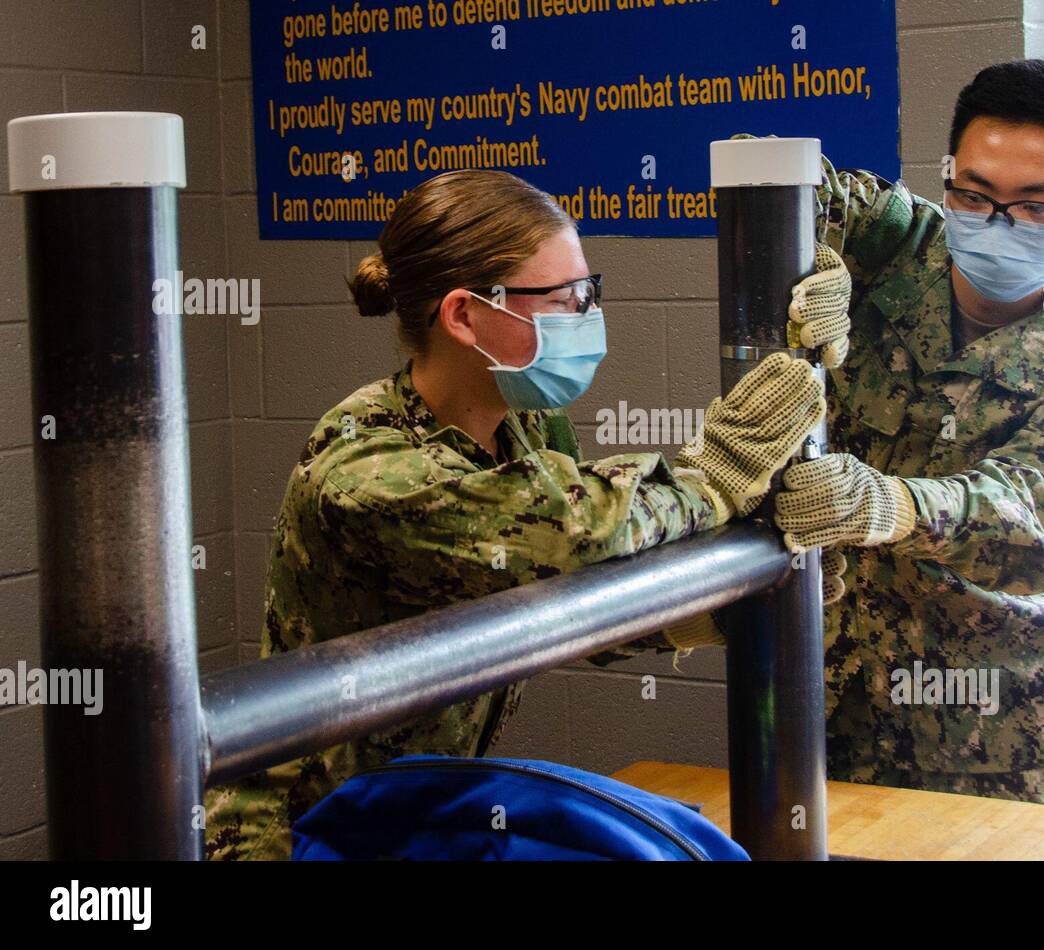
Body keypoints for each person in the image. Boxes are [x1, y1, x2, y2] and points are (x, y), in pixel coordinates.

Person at [201, 168, 844, 860]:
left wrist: (711, 610)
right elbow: (579, 538)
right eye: (562, 298)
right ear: (464, 315)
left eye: (587, 292)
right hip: (306, 833)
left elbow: (547, 596)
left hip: (416, 812)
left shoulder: (526, 429)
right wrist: (718, 473)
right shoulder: (367, 467)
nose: (585, 316)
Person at [741, 58, 1044, 812]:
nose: (996, 223)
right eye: (975, 194)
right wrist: (817, 255)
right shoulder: (901, 247)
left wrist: (890, 507)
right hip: (833, 739)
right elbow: (775, 174)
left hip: (1008, 761)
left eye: (1035, 207)